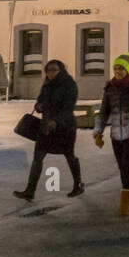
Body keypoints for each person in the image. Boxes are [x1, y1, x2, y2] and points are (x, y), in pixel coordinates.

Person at [14, 59, 83, 201]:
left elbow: (68, 108)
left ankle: (78, 184)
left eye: (54, 70)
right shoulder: (47, 84)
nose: (51, 73)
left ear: (61, 70)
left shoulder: (69, 84)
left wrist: (56, 121)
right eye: (48, 70)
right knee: (37, 157)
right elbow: (39, 101)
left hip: (64, 127)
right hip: (46, 127)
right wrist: (39, 106)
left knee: (69, 155)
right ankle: (30, 191)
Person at [93, 52, 129, 216]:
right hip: (116, 135)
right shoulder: (110, 88)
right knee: (123, 167)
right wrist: (98, 131)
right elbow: (104, 112)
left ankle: (126, 200)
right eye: (115, 68)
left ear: (128, 70)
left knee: (127, 166)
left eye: (121, 68)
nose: (118, 71)